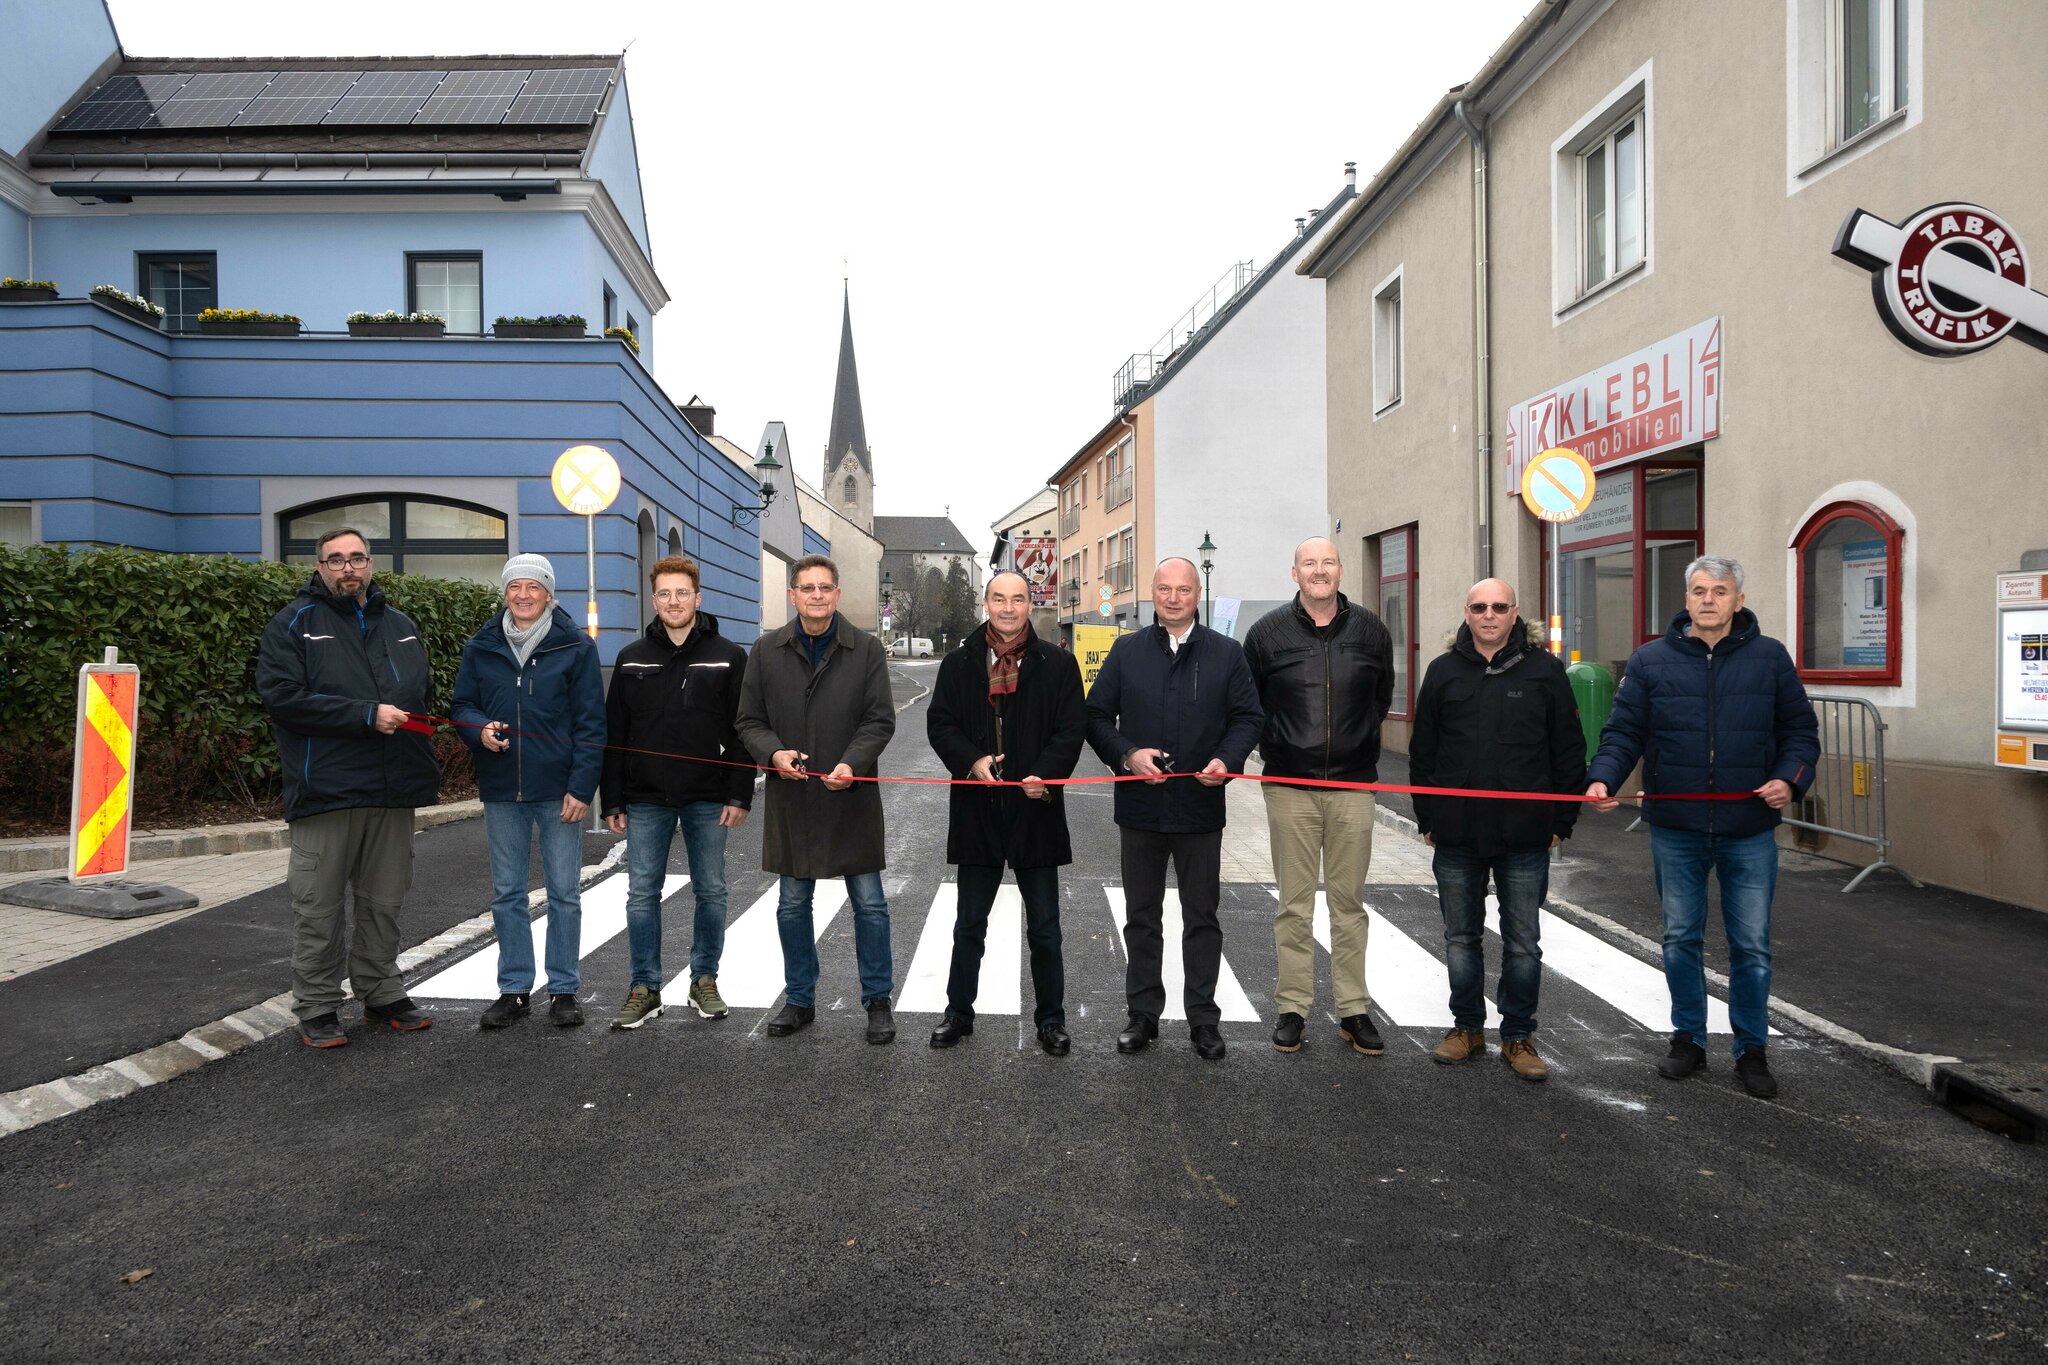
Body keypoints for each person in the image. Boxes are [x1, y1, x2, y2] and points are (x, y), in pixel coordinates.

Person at [1585, 555, 1818, 1099]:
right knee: (1680, 939)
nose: (1708, 599)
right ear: (1685, 599)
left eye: (1720, 590)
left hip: (1749, 827)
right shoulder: (1650, 661)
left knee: (1752, 946)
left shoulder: (1770, 659)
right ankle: (1687, 1039)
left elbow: (1800, 733)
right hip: (1678, 826)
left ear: (1739, 600)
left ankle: (1751, 1050)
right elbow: (1624, 731)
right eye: (1698, 590)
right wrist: (1603, 779)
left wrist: (1789, 780)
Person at [256, 526, 441, 1048]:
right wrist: (363, 715)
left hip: (392, 789)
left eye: (357, 558)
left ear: (371, 566)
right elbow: (283, 699)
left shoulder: (401, 626)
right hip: (327, 791)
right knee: (318, 906)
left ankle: (381, 990)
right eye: (335, 560)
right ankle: (316, 1004)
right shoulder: (294, 624)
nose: (347, 568)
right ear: (319, 568)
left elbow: (418, 699)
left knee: (384, 901)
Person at [1085, 557, 1263, 1060]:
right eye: (1164, 589)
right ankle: (1142, 1015)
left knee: (1201, 918)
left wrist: (1226, 760)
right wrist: (1126, 754)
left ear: (1196, 592)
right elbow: (1095, 716)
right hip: (1140, 809)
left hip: (1199, 808)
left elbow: (1250, 718)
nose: (1172, 597)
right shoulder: (1127, 651)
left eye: (1183, 589)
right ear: (1153, 592)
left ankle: (1203, 1019)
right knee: (1142, 917)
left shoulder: (1227, 654)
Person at [1409, 579, 1585, 1082]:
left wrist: (1561, 822)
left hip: (1526, 834)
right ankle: (1466, 1028)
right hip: (1458, 833)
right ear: (1466, 612)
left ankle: (1519, 1035)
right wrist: (1428, 817)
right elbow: (1423, 752)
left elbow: (1568, 750)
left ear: (1515, 613)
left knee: (1523, 942)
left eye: (1499, 607)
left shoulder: (1544, 671)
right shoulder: (1442, 672)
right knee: (1460, 939)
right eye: (1480, 607)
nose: (1489, 615)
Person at [736, 555, 899, 1043]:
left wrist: (853, 762)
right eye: (806, 588)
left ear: (837, 594)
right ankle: (800, 1000)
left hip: (852, 798)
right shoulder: (766, 651)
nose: (816, 596)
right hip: (794, 801)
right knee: (791, 905)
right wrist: (774, 753)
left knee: (869, 905)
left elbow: (879, 719)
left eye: (825, 587)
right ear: (792, 595)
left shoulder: (866, 649)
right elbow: (748, 721)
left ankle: (877, 1001)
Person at [1242, 537, 1394, 1058]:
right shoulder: (1266, 634)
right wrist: (1276, 748)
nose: (1320, 571)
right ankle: (1293, 1008)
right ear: (1295, 573)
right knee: (1294, 904)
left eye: (1328, 562)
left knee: (1349, 905)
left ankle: (1353, 1009)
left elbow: (1381, 697)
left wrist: (1356, 745)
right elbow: (1252, 704)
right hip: (1289, 786)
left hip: (1353, 784)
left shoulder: (1371, 630)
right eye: (1310, 563)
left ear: (1341, 570)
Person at [925, 571, 1086, 1056]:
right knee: (969, 922)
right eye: (1000, 599)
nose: (1009, 608)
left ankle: (1051, 1020)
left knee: (1045, 927)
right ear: (986, 602)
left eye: (1018, 599)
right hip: (977, 808)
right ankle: (958, 1012)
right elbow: (940, 724)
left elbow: (1070, 729)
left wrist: (1045, 774)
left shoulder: (1057, 664)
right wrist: (971, 761)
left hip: (1035, 810)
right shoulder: (959, 663)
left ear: (1029, 603)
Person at [452, 553, 605, 1029]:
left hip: (558, 789)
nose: (523, 595)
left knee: (564, 893)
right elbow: (462, 704)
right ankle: (515, 988)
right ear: (505, 593)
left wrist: (582, 787)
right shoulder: (481, 646)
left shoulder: (575, 647)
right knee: (507, 894)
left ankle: (563, 989)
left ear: (548, 593)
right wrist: (478, 730)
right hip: (502, 787)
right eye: (515, 587)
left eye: (533, 587)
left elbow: (591, 724)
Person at [599, 554, 752, 1030]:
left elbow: (744, 729)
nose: (673, 601)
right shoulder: (631, 657)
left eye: (681, 592)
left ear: (697, 597)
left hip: (709, 797)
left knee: (712, 891)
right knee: (641, 893)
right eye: (664, 593)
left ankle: (703, 980)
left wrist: (739, 795)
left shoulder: (728, 655)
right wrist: (613, 798)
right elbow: (615, 733)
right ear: (654, 599)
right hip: (645, 798)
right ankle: (644, 988)